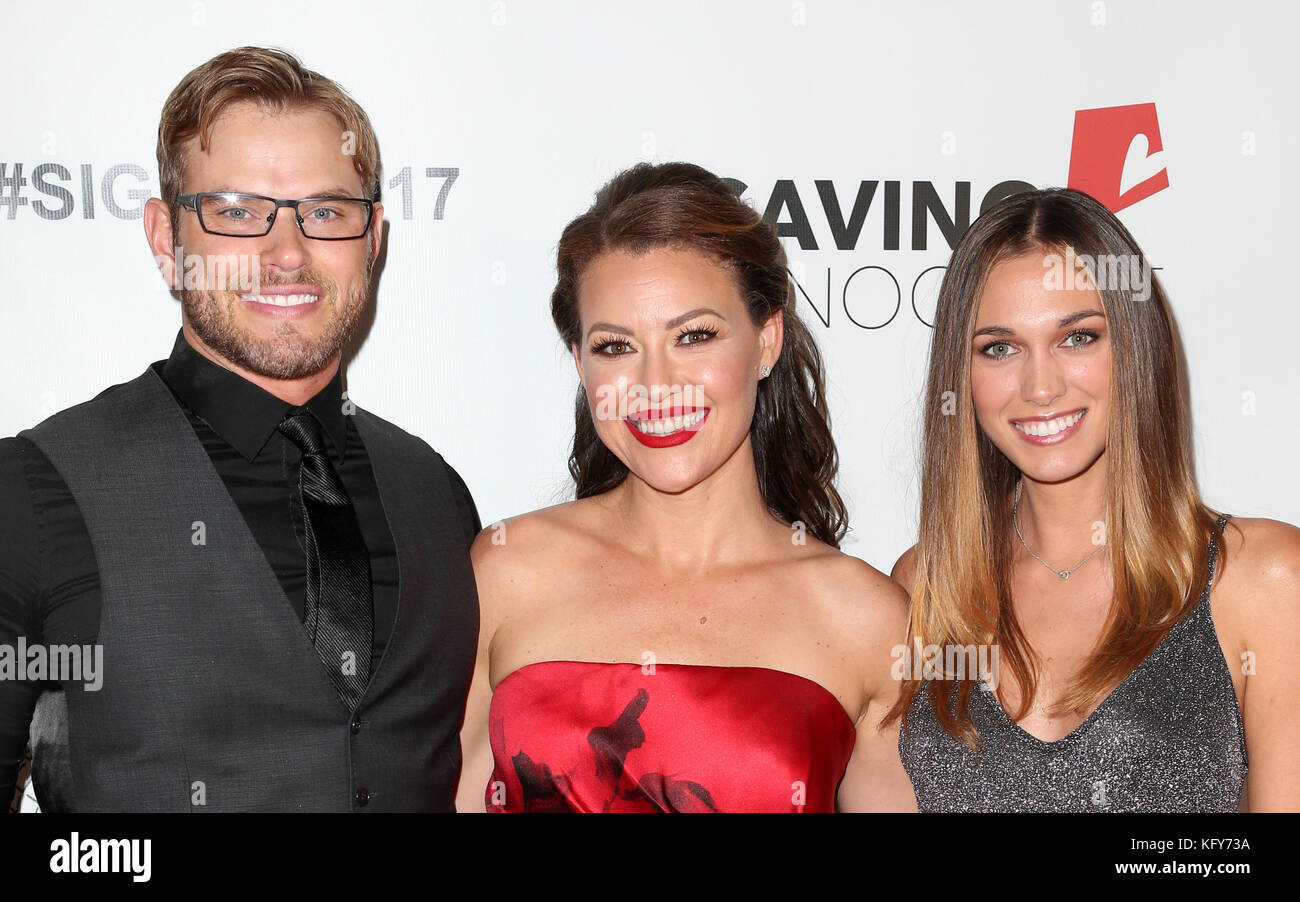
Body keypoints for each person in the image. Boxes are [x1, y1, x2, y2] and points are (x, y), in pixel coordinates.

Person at [0, 46, 480, 812]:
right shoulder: (29, 493)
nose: (286, 254)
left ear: (374, 237)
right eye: (235, 211)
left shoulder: (439, 495)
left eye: (326, 211)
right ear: (166, 237)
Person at [455, 162, 913, 813]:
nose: (656, 382)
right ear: (580, 361)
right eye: (616, 347)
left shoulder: (867, 619)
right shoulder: (505, 571)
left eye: (694, 336)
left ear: (766, 340)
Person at [888, 187, 1300, 812]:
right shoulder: (928, 584)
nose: (1041, 385)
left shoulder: (1262, 578)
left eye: (1077, 338)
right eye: (999, 348)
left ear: (1135, 347)